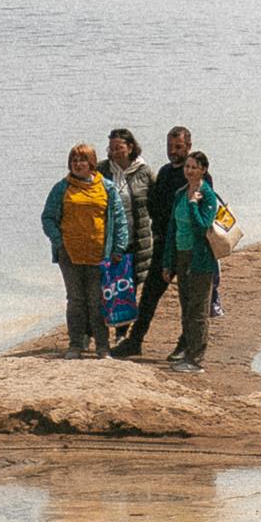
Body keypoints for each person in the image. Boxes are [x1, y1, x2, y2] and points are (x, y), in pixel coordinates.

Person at [42, 140, 128, 360]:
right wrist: (59, 241)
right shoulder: (62, 187)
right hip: (69, 255)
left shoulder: (106, 188)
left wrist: (119, 248)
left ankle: (102, 347)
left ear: (92, 164)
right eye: (74, 160)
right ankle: (75, 345)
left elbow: (120, 220)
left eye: (82, 160)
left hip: (100, 255)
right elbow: (48, 218)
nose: (77, 164)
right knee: (76, 301)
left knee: (97, 301)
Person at [114, 125, 193, 360]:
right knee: (149, 295)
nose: (173, 151)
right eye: (170, 147)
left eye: (178, 147)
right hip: (162, 244)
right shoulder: (165, 171)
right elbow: (154, 204)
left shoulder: (195, 171)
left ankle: (186, 345)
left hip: (187, 245)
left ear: (188, 146)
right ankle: (134, 341)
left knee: (189, 299)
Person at [163, 145, 223, 368]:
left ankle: (196, 360)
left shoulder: (207, 195)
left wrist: (193, 204)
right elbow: (172, 229)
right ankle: (187, 351)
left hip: (201, 258)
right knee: (186, 307)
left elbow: (202, 227)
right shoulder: (180, 193)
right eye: (187, 167)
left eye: (194, 167)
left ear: (203, 170)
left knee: (198, 309)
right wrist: (168, 263)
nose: (189, 171)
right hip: (181, 254)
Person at [104, 128, 154, 349]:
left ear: (130, 147)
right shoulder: (102, 171)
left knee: (128, 289)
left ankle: (121, 335)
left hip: (138, 239)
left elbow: (157, 202)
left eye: (119, 147)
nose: (114, 152)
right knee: (104, 287)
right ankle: (96, 332)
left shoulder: (144, 172)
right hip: (109, 241)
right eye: (111, 148)